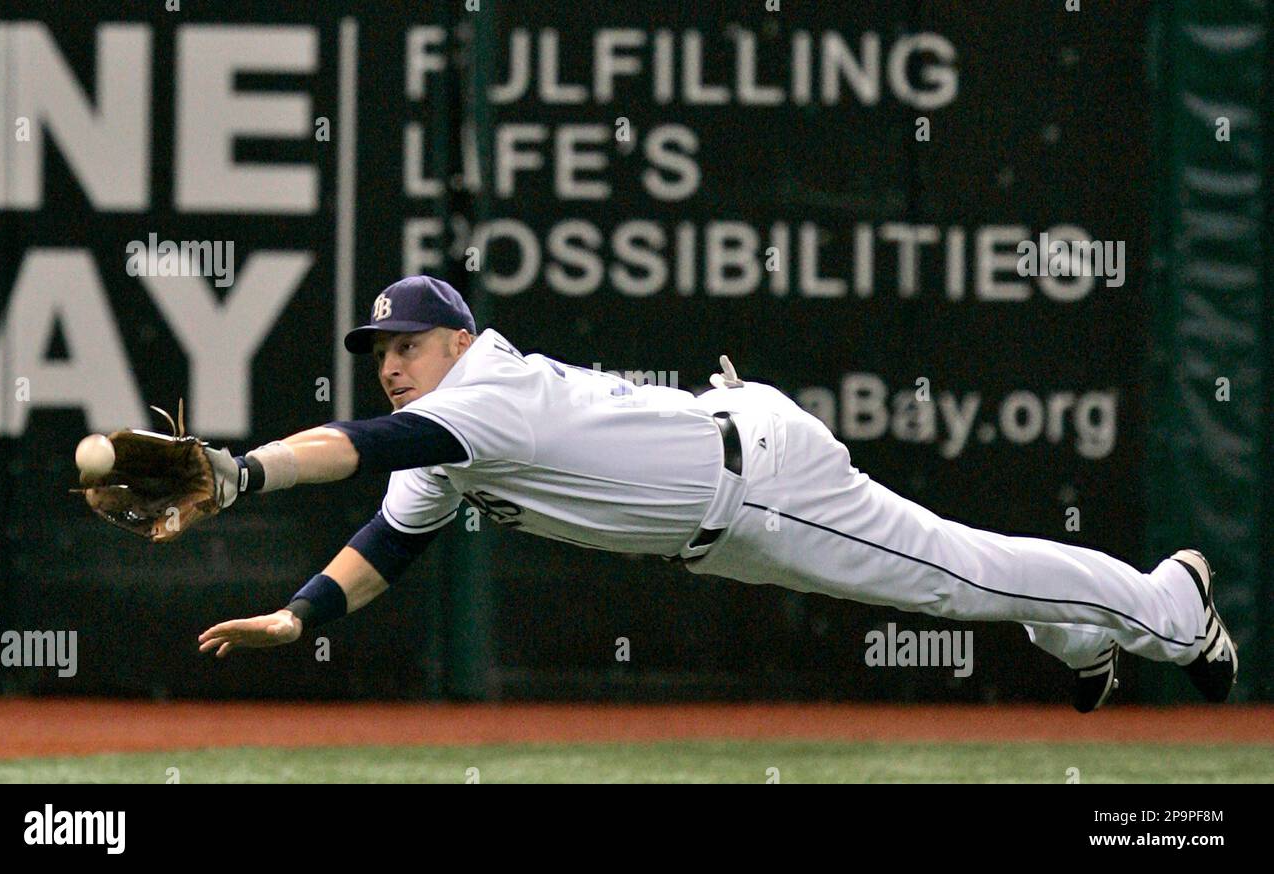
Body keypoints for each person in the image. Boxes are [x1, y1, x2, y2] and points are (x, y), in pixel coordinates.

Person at [197, 275, 1238, 711]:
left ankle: (1172, 604)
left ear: (457, 343)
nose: (389, 362)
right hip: (725, 518)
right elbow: (388, 537)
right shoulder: (449, 435)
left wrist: (247, 471)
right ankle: (1075, 632)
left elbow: (354, 446)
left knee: (953, 576)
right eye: (377, 351)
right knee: (953, 578)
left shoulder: (483, 393)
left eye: (406, 343)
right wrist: (298, 617)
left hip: (764, 484)